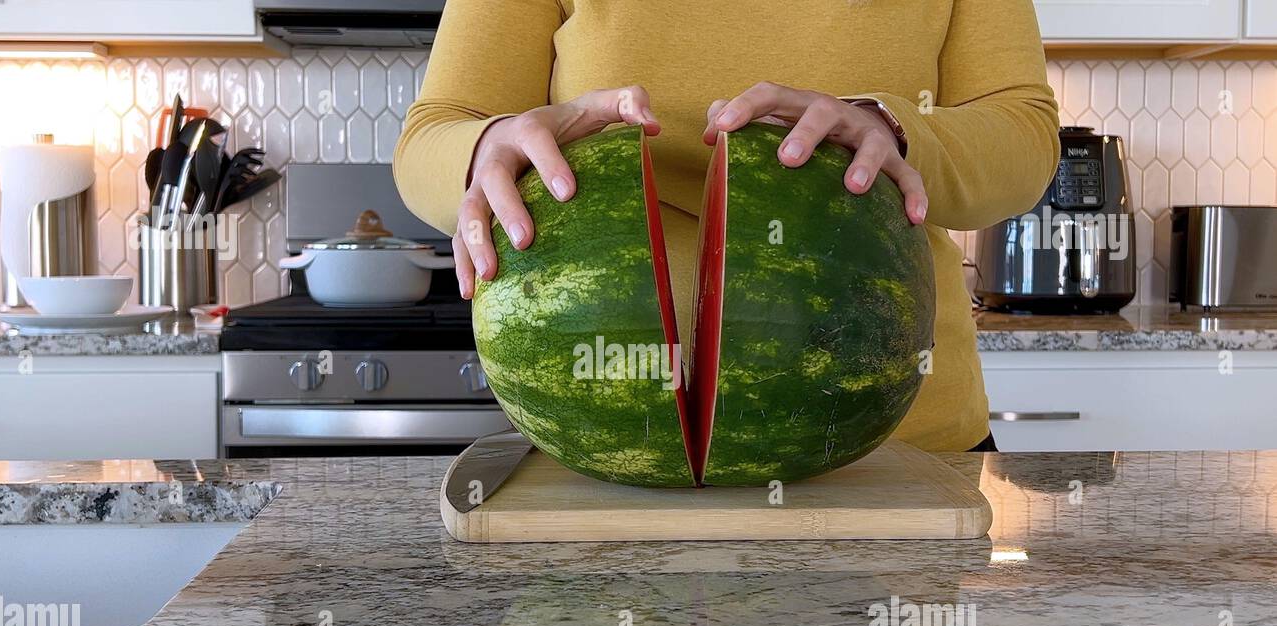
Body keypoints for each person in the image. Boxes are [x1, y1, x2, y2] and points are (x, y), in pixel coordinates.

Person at [394, 0, 1060, 453]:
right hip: (607, 447)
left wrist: (894, 128)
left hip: (899, 446)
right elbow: (432, 134)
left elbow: (1025, 134)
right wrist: (485, 149)